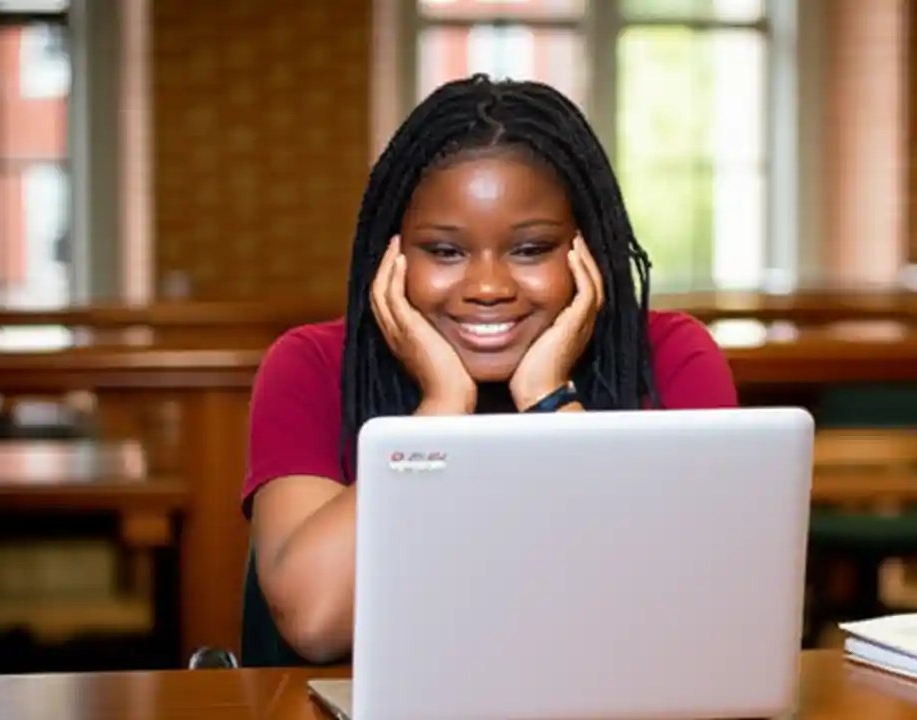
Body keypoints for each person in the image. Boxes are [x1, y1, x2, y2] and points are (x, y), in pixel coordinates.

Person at [243, 74, 738, 664]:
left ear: (589, 248)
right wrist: (439, 415)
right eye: (445, 251)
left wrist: (550, 400)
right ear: (392, 252)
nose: (487, 288)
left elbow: (689, 610)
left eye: (530, 250)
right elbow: (317, 621)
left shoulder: (672, 358)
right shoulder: (312, 365)